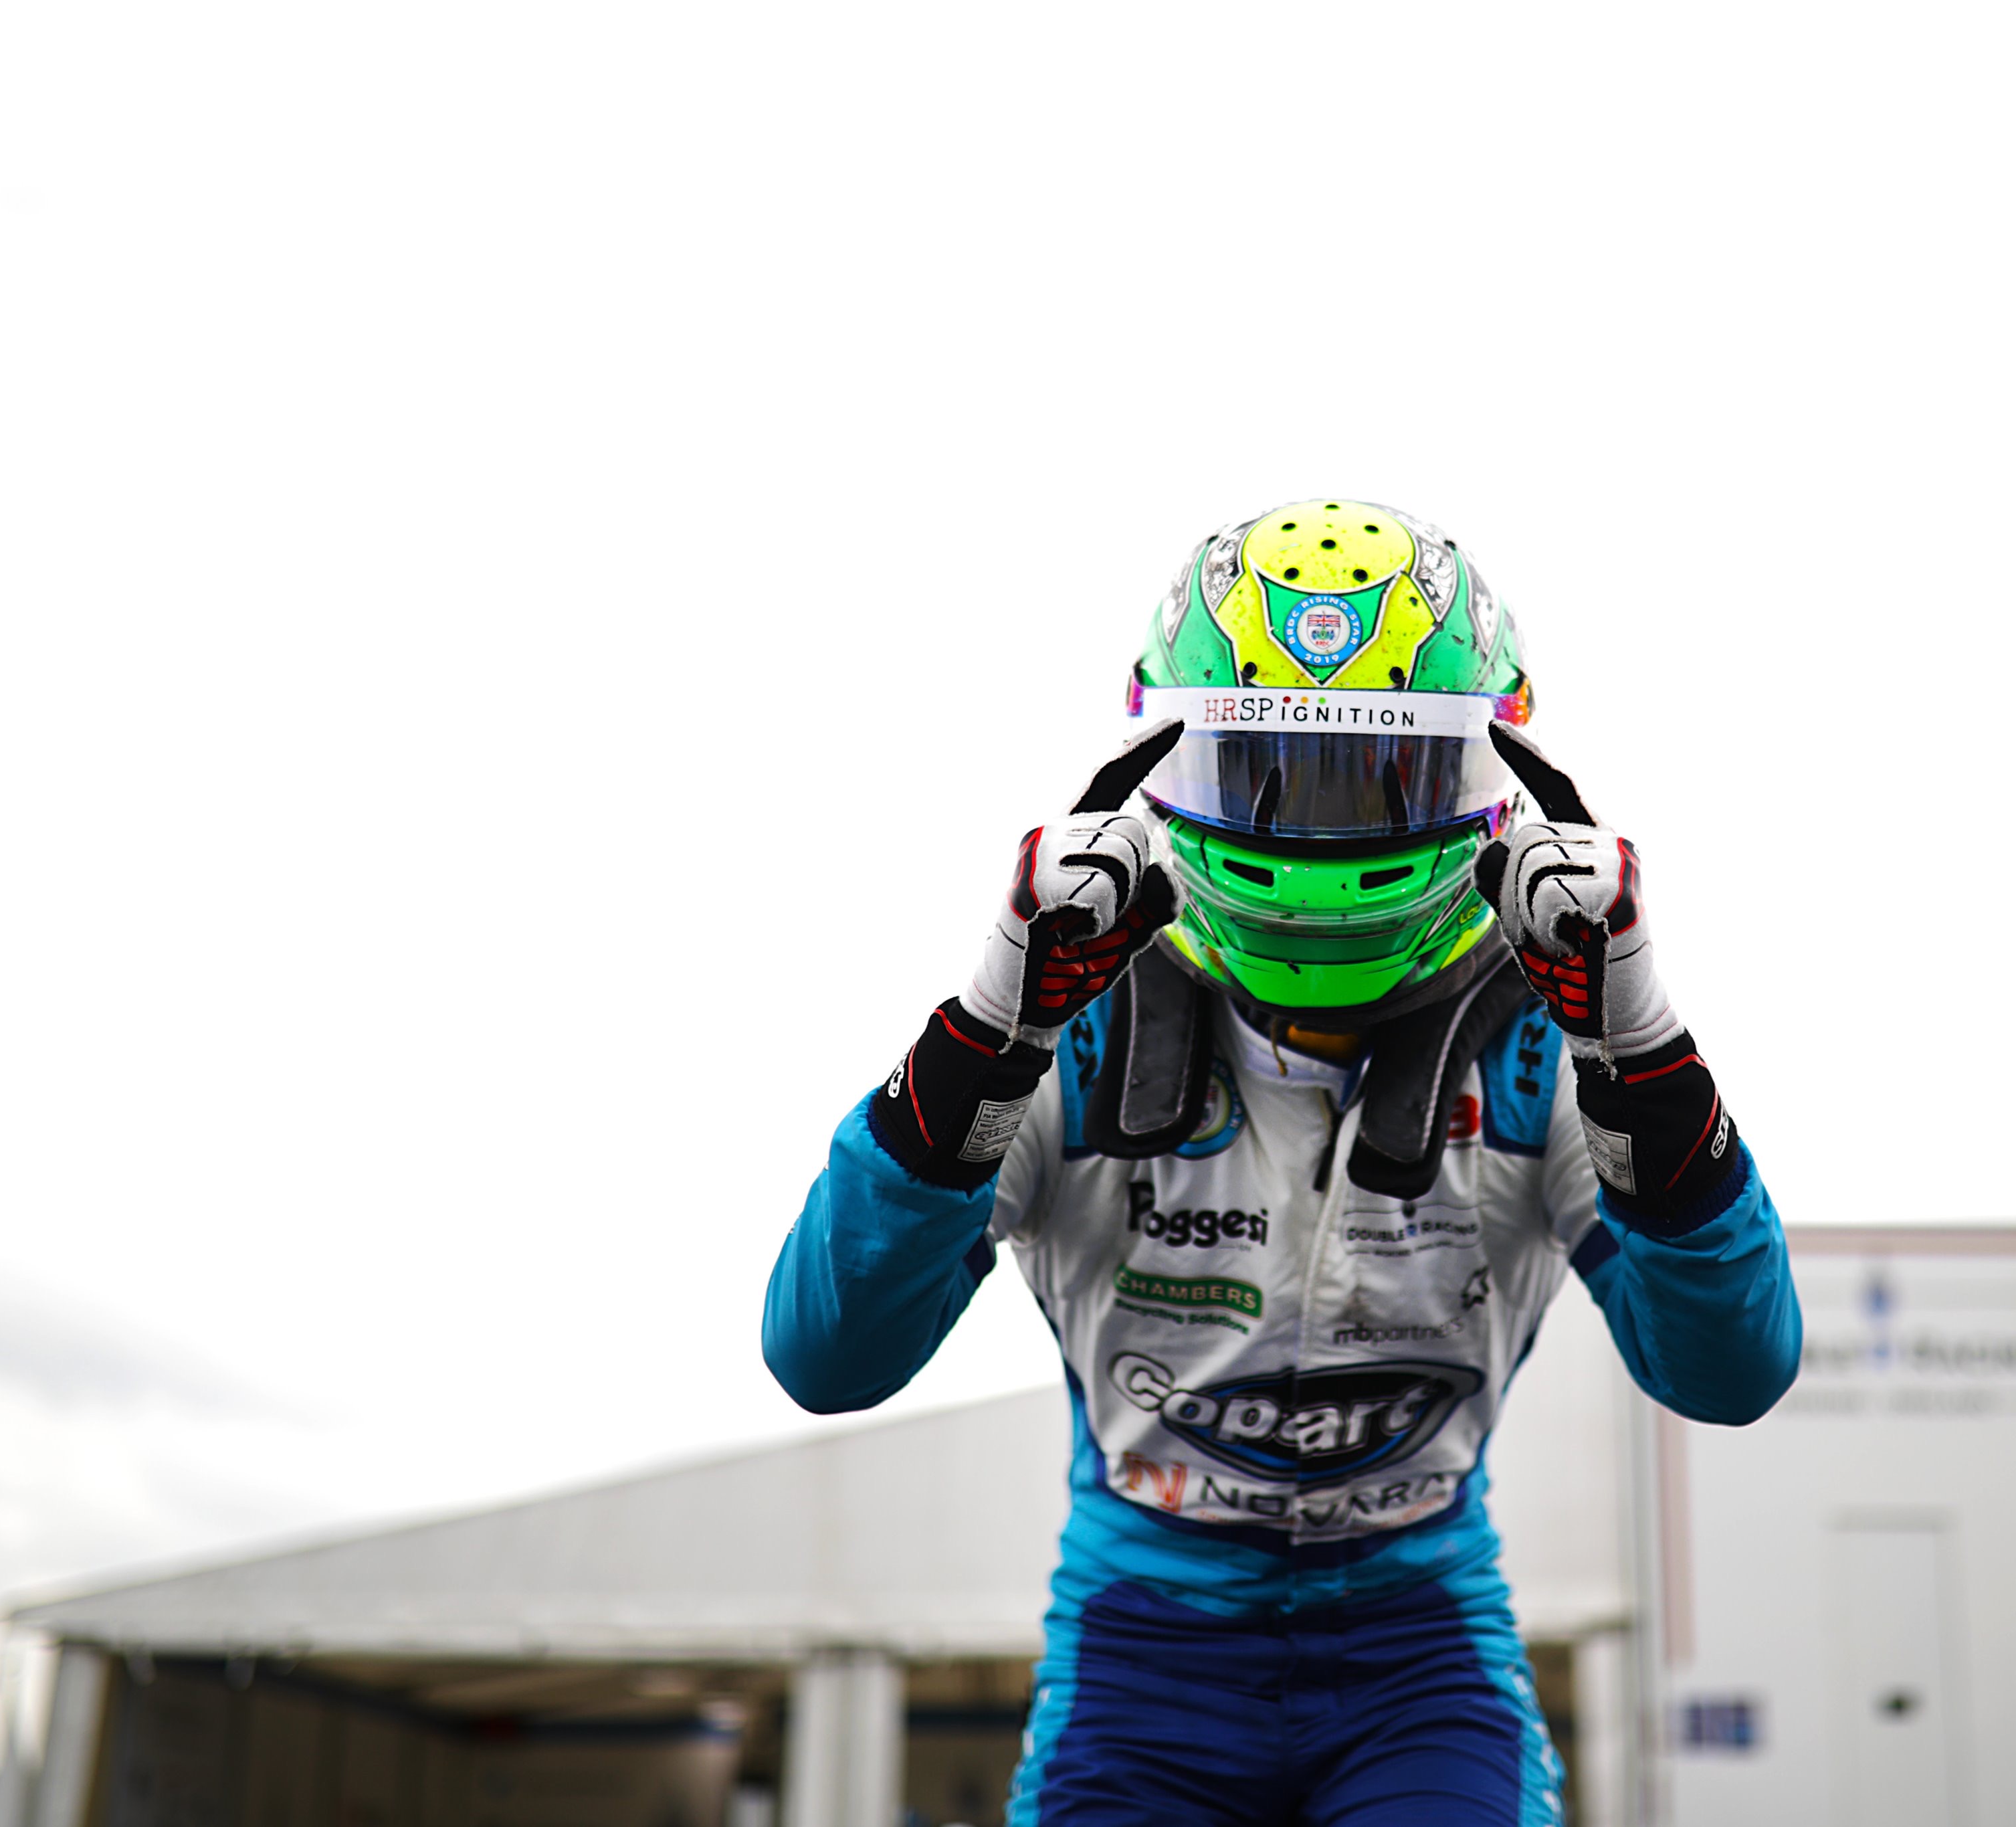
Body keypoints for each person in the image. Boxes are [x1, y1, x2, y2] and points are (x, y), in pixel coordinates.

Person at [763, 500, 1801, 1825]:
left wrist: (1643, 1045)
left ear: (1500, 786)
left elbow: (1730, 1371)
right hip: (1144, 1658)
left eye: (1380, 778)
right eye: (1262, 770)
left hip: (1417, 1657)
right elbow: (823, 1355)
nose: (1314, 830)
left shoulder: (1551, 1043)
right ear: (1161, 761)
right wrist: (980, 1032)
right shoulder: (1069, 1017)